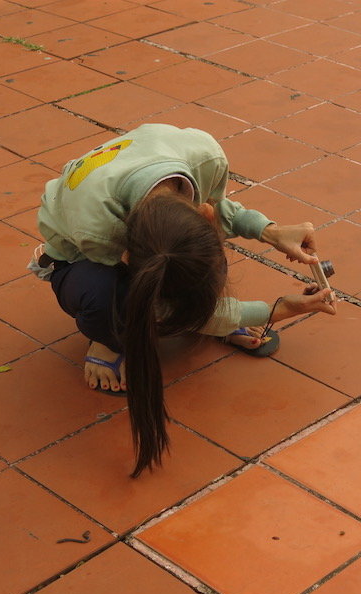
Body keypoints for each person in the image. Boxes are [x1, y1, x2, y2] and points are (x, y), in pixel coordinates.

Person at [29, 123, 336, 477]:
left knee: (191, 259)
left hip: (140, 211)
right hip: (76, 254)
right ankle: (107, 340)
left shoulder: (207, 157)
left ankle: (196, 296)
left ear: (204, 214)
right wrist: (277, 310)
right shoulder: (96, 232)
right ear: (131, 260)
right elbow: (161, 307)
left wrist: (270, 230)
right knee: (106, 296)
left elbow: (217, 208)